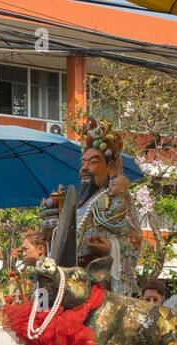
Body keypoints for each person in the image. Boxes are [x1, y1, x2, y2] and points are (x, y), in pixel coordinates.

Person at [44, 119, 141, 294]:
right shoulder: (80, 204)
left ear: (110, 167)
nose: (84, 168)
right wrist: (52, 224)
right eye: (83, 162)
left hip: (99, 285)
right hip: (71, 283)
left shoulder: (116, 200)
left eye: (93, 162)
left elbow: (134, 241)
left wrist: (111, 247)